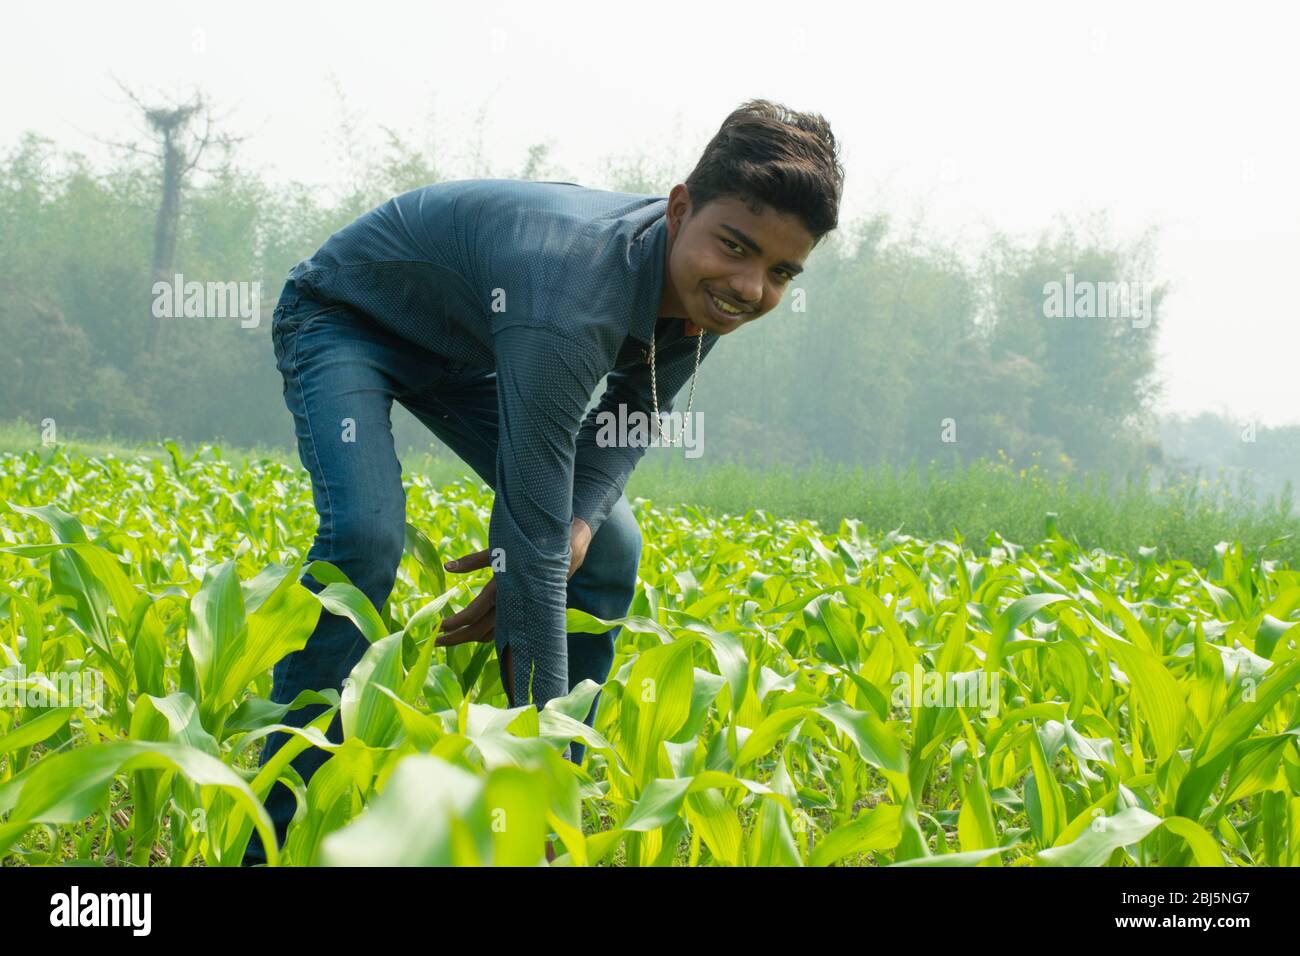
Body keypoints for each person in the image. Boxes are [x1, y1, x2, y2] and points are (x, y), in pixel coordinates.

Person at [242, 98, 843, 865]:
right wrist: (530, 566)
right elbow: (529, 540)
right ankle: (271, 828)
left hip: (468, 350)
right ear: (680, 209)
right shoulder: (571, 296)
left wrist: (572, 531)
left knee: (608, 542)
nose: (750, 287)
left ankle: (546, 820)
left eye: (781, 272)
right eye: (735, 246)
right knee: (365, 539)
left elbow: (629, 418)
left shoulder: (703, 299)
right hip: (346, 319)